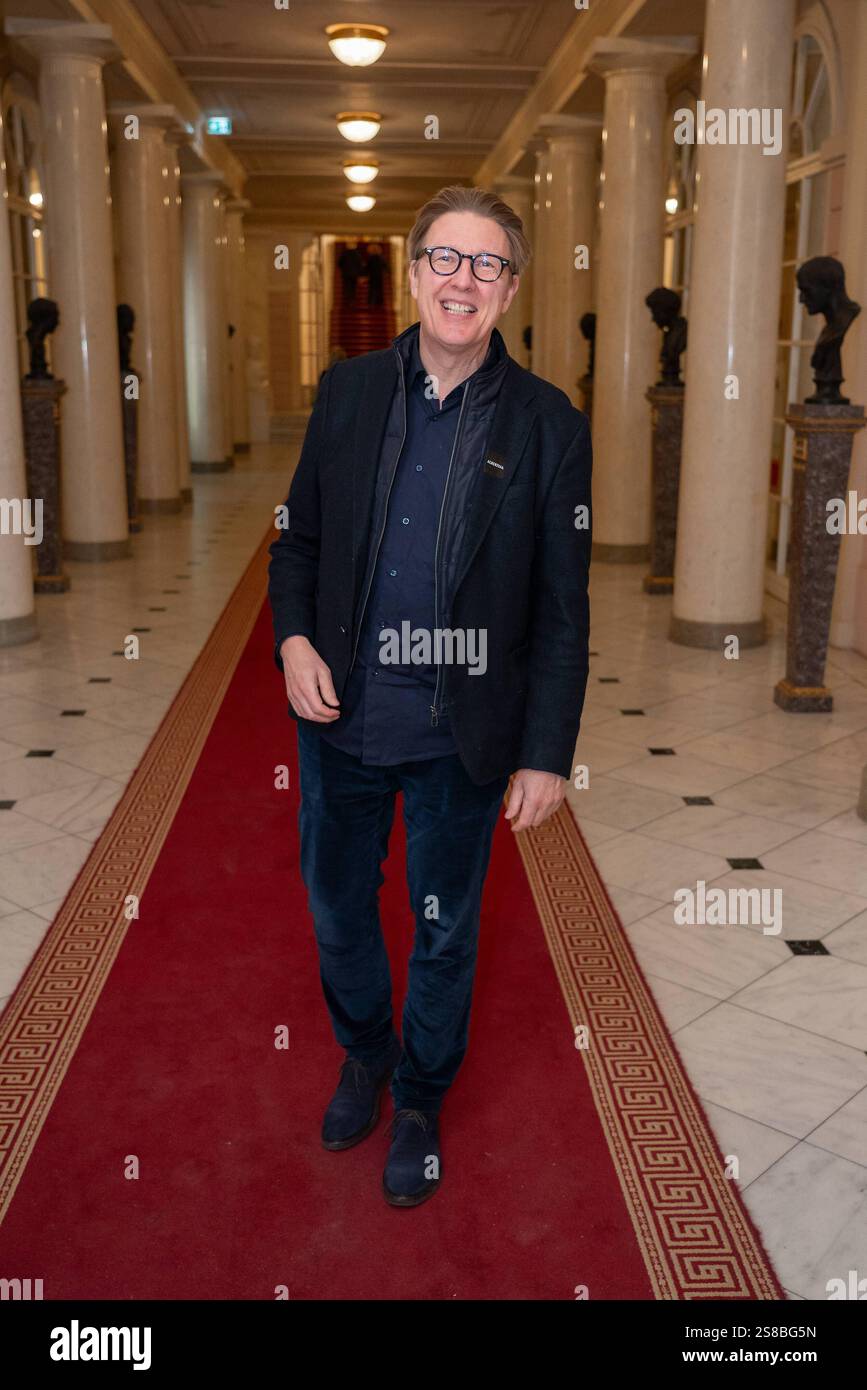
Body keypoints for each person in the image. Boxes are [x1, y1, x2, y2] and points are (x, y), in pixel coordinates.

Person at [268, 184, 592, 1208]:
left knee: (444, 924)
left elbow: (561, 607)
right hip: (342, 719)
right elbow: (299, 538)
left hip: (463, 733)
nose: (463, 280)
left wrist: (546, 751)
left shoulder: (548, 426)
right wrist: (292, 637)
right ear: (412, 274)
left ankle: (418, 1095)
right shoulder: (350, 391)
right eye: (445, 259)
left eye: (487, 264)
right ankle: (364, 1048)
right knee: (334, 905)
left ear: (509, 288)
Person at [337, 242, 363, 306]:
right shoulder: (357, 254)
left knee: (346, 286)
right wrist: (360, 273)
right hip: (354, 274)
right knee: (353, 287)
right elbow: (360, 264)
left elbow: (340, 263)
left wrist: (343, 269)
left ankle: (347, 299)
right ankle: (352, 299)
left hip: (346, 273)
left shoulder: (344, 254)